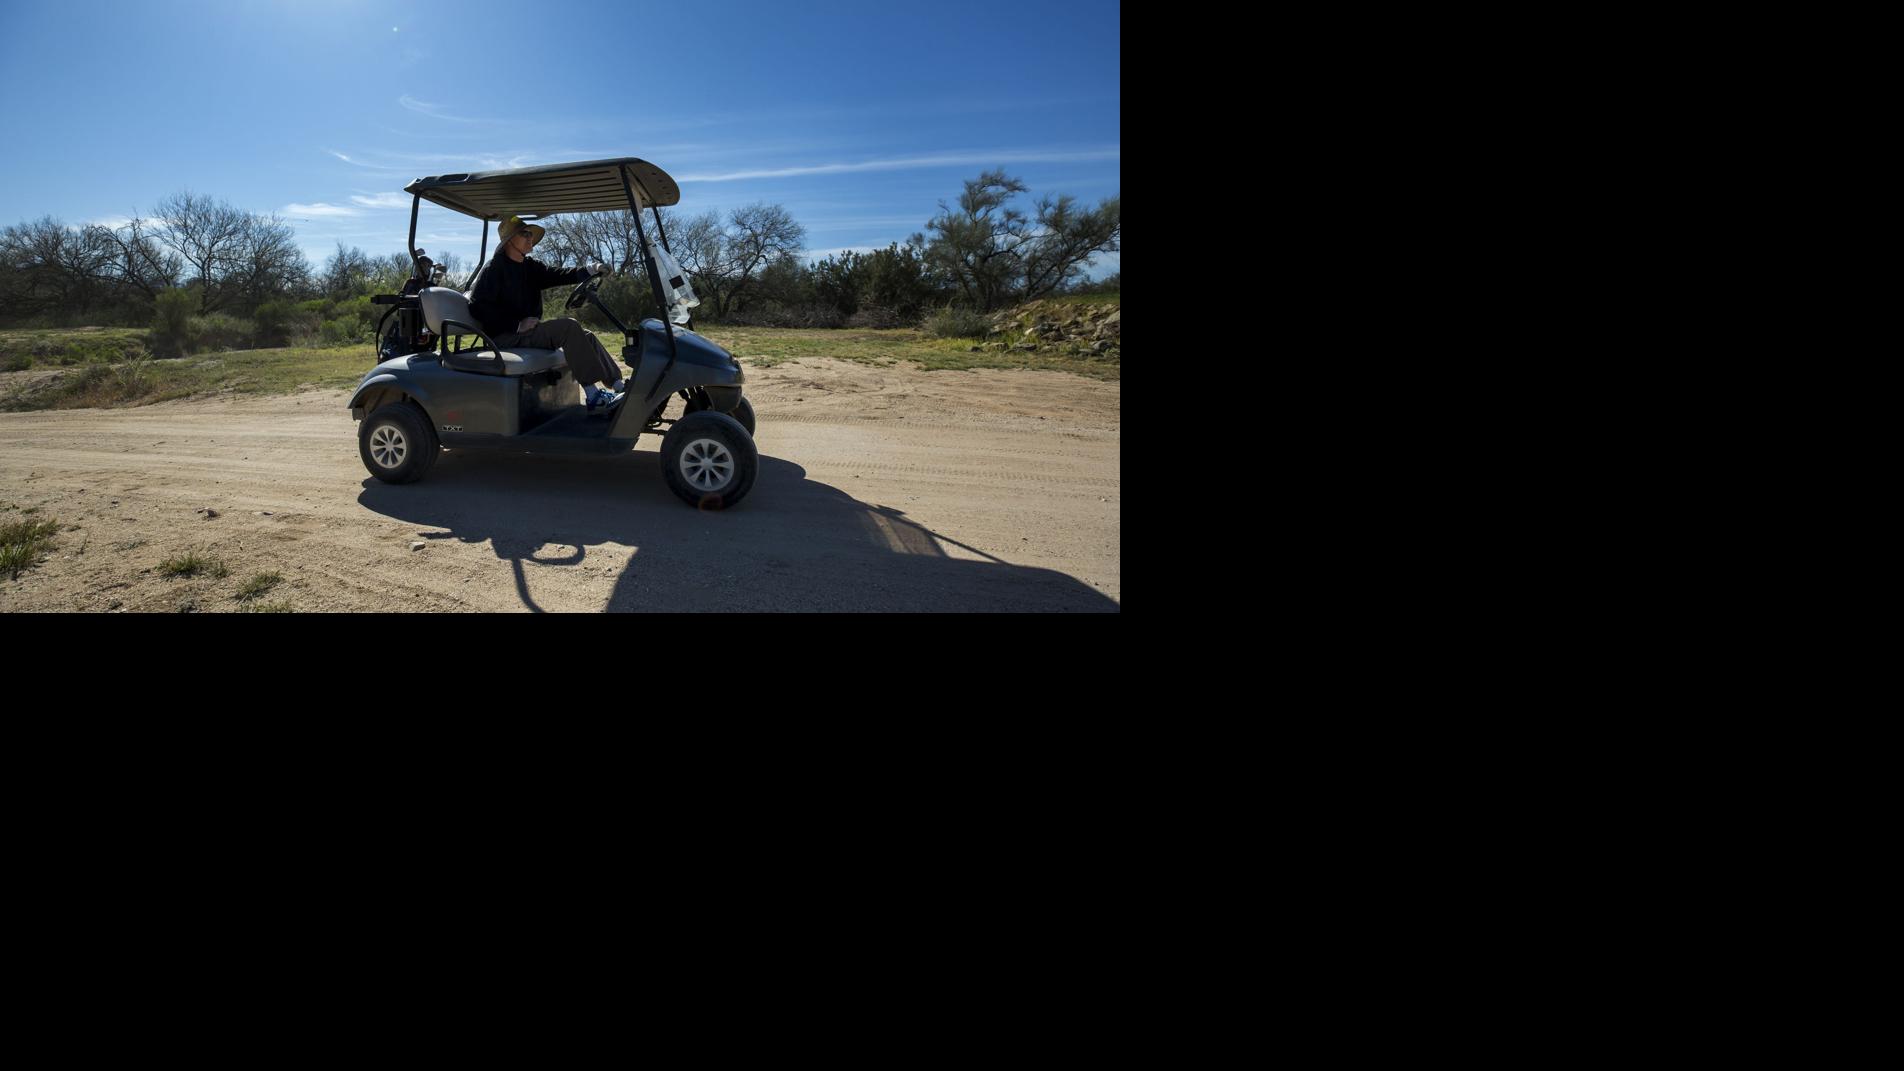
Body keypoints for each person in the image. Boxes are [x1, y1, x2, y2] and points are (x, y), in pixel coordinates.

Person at [467, 214, 623, 413]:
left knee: (586, 336)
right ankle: (593, 396)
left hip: (527, 333)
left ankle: (619, 386)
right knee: (568, 327)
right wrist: (516, 325)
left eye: (530, 233)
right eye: (525, 234)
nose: (530, 237)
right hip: (505, 337)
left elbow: (560, 274)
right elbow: (477, 307)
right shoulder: (494, 269)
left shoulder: (530, 267)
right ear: (510, 241)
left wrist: (591, 269)